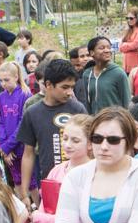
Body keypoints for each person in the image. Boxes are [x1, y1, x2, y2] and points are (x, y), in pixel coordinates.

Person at [16, 58, 87, 202]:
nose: (69, 92)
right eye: (65, 87)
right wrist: (24, 193)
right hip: (50, 184)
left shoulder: (78, 109)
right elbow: (28, 154)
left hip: (80, 183)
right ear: (48, 84)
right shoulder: (32, 113)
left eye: (72, 87)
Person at [0, 61, 28, 191]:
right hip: (7, 148)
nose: (3, 84)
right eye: (1, 80)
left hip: (21, 145)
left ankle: (32, 205)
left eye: (6, 80)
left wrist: (9, 146)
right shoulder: (1, 97)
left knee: (29, 182)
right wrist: (4, 146)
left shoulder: (24, 95)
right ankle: (22, 207)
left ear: (16, 77)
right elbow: (0, 121)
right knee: (15, 180)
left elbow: (22, 122)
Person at [82, 36, 131, 112]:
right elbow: (87, 102)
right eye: (102, 48)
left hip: (114, 120)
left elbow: (127, 102)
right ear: (92, 53)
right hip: (95, 121)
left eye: (109, 47)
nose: (107, 50)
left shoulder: (118, 73)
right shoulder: (87, 74)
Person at [119, 7, 138, 73]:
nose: (129, 20)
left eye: (131, 18)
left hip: (135, 64)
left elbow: (136, 44)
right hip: (125, 64)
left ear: (137, 18)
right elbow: (120, 47)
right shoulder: (128, 30)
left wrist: (125, 45)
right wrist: (128, 46)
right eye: (127, 18)